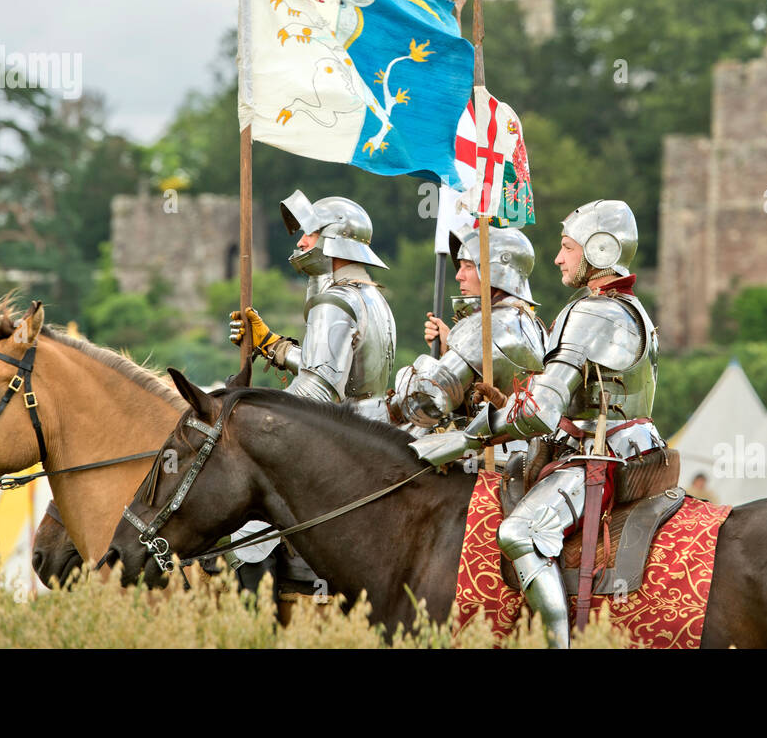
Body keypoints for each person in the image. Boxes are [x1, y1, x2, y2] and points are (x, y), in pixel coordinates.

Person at [410, 200, 662, 648]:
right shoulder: (618, 306)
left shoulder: (596, 312)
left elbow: (540, 411)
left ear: (599, 250)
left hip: (602, 454)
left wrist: (458, 442)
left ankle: (558, 643)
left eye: (567, 248)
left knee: (519, 532)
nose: (558, 258)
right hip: (617, 444)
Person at [227, 190, 396, 592]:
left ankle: (253, 612)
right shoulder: (369, 295)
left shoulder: (335, 302)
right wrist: (273, 346)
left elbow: (318, 391)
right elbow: (331, 366)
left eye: (309, 234)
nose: (301, 242)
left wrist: (252, 414)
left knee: (247, 516)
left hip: (341, 438)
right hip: (368, 428)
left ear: (333, 238)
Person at [357, 224, 545, 434]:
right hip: (513, 449)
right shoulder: (531, 323)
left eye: (468, 266)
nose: (459, 276)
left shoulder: (490, 323)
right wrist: (451, 349)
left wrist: (355, 417)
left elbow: (426, 399)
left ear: (496, 272)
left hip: (483, 453)